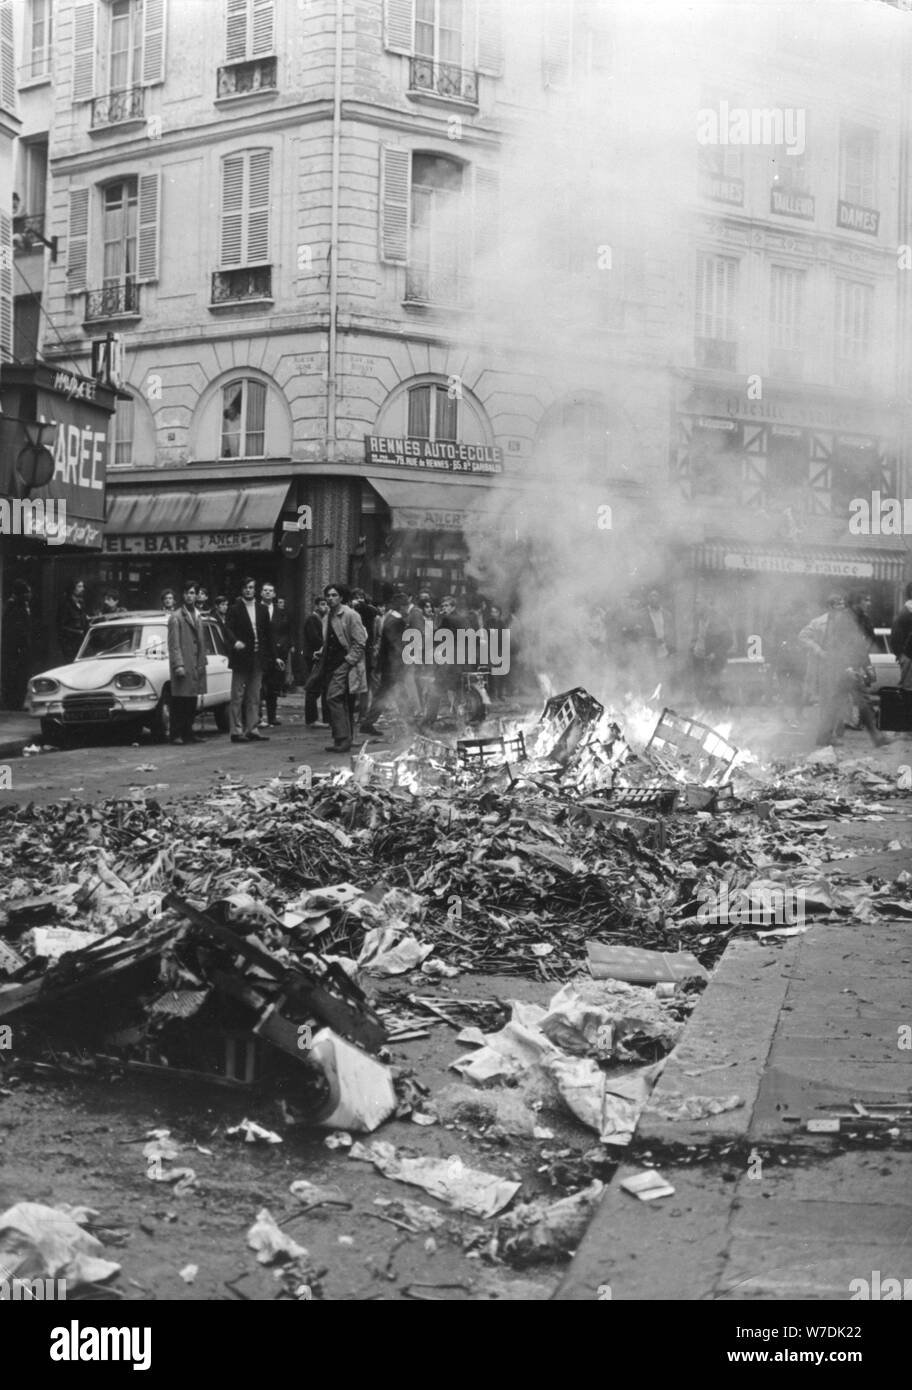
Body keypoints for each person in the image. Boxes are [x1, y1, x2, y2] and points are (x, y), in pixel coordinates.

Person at [800, 599, 886, 748]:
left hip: (845, 666)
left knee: (839, 703)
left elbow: (860, 646)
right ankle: (875, 736)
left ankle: (824, 737)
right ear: (856, 603)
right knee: (857, 700)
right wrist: (848, 666)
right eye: (864, 600)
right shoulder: (843, 622)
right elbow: (840, 645)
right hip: (840, 666)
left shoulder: (856, 620)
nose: (868, 603)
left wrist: (866, 667)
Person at [317, 584, 367, 753]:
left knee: (334, 698)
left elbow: (360, 642)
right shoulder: (327, 616)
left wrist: (348, 662)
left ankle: (343, 739)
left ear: (341, 597)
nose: (330, 598)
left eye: (334, 595)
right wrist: (321, 652)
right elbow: (330, 641)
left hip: (344, 665)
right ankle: (342, 739)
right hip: (329, 664)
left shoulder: (351, 615)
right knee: (340, 700)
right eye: (328, 596)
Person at [360, 589, 417, 737]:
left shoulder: (391, 618)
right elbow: (395, 645)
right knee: (390, 694)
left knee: (387, 694)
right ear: (402, 606)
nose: (408, 609)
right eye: (406, 606)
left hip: (391, 665)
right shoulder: (395, 621)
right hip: (393, 666)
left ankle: (370, 723)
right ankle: (409, 724)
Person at [225, 577, 274, 743]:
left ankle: (252, 729)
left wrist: (272, 657)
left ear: (255, 590)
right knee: (237, 695)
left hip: (258, 657)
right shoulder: (234, 609)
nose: (248, 590)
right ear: (242, 590)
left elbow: (268, 635)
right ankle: (236, 730)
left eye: (252, 587)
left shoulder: (262, 609)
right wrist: (235, 642)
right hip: (241, 657)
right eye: (246, 587)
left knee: (254, 695)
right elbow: (228, 630)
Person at [167, 580, 207, 745]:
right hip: (184, 662)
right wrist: (178, 664)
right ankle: (176, 733)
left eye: (192, 593)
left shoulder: (198, 615)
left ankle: (188, 732)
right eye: (187, 593)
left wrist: (202, 662)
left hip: (195, 662)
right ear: (182, 595)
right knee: (179, 700)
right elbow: (173, 644)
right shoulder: (176, 617)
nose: (190, 596)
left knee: (191, 700)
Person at [258, 581, 289, 727]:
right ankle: (257, 717)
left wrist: (281, 646)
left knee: (273, 686)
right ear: (261, 593)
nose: (268, 593)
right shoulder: (256, 609)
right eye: (265, 590)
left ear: (275, 594)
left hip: (277, 653)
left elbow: (286, 631)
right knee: (258, 686)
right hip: (261, 653)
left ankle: (272, 716)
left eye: (270, 590)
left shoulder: (280, 612)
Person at [350, 588, 379, 728]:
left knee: (364, 685)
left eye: (361, 596)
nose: (358, 599)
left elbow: (374, 612)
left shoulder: (367, 611)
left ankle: (362, 714)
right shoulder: (347, 611)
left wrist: (361, 604)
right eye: (356, 597)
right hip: (350, 651)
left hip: (364, 652)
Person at [1, 580, 33, 710]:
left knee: (21, 674)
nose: (30, 595)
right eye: (27, 592)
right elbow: (13, 628)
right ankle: (14, 702)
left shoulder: (22, 604)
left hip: (22, 645)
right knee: (16, 674)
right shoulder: (13, 606)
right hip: (16, 647)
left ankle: (18, 701)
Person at [303, 597, 329, 727]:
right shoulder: (313, 619)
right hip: (314, 657)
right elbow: (314, 638)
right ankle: (312, 719)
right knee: (313, 687)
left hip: (318, 656)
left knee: (318, 687)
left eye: (326, 604)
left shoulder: (322, 620)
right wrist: (324, 646)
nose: (325, 607)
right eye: (322, 604)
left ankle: (321, 718)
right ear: (316, 606)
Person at [57, 579, 89, 662]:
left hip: (81, 643)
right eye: (79, 586)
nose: (82, 589)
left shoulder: (82, 603)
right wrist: (77, 632)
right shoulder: (66, 604)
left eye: (82, 586)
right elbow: (61, 626)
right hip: (70, 644)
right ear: (73, 588)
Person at [890, 581, 912, 691]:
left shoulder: (905, 612)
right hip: (908, 658)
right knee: (907, 690)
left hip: (907, 656)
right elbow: (895, 638)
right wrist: (902, 655)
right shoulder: (905, 613)